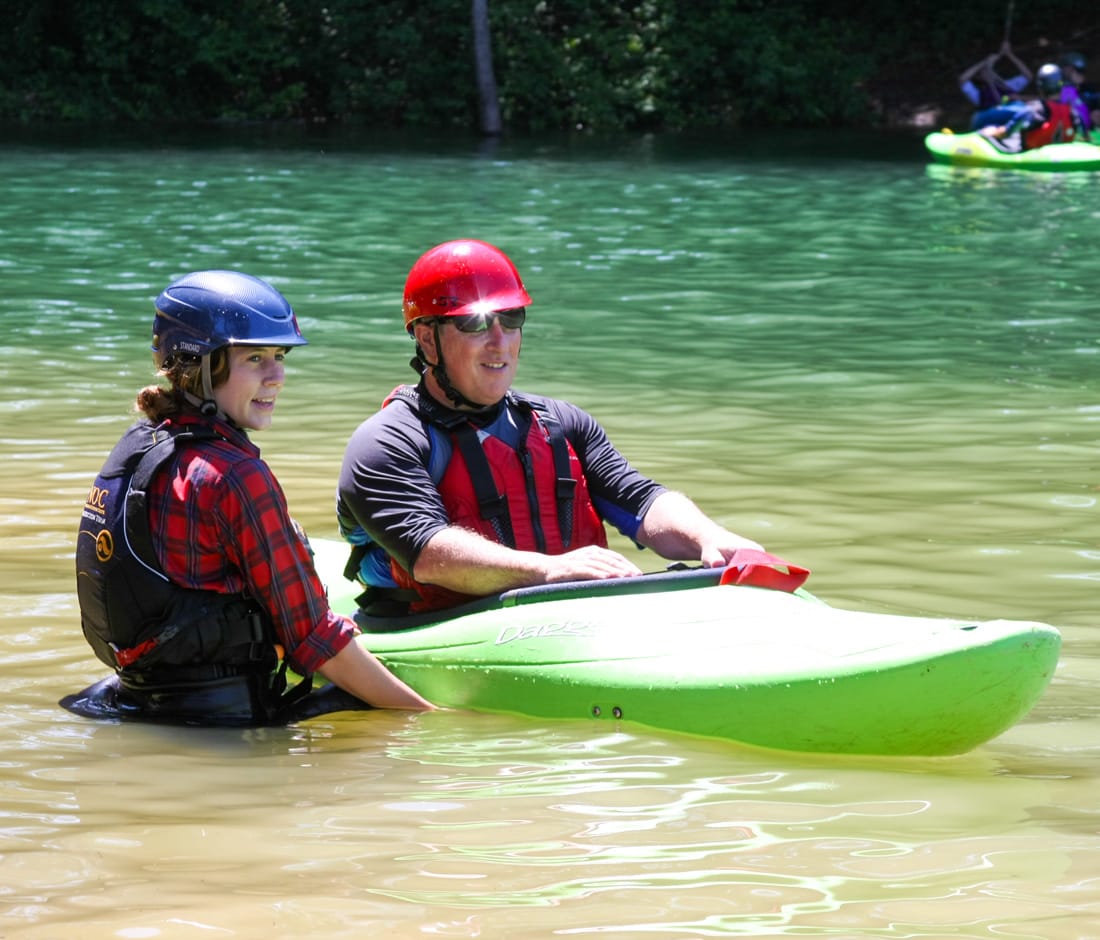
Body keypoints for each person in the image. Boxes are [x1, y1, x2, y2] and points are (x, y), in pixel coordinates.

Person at [68, 269, 434, 725]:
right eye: (255, 359)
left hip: (143, 695)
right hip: (226, 722)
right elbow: (316, 641)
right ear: (199, 365)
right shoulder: (234, 476)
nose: (277, 376)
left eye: (279, 356)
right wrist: (428, 717)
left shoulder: (143, 445)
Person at [336, 239, 765, 618]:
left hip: (567, 615)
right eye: (476, 323)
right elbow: (429, 554)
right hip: (442, 624)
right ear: (428, 340)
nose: (499, 341)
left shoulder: (562, 424)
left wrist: (711, 538)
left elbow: (640, 500)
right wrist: (550, 569)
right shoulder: (386, 442)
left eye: (511, 318)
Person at [978, 63, 1085, 153]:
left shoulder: (1034, 110)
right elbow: (1084, 138)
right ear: (1061, 86)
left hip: (1031, 152)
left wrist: (990, 132)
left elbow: (1006, 132)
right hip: (1062, 154)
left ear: (1040, 87)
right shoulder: (1072, 112)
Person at [959, 39, 1033, 131]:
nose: (988, 73)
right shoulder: (979, 95)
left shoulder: (1007, 86)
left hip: (1009, 126)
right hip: (989, 129)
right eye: (984, 72)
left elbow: (1028, 76)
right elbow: (962, 80)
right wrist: (983, 63)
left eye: (990, 71)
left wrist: (1009, 55)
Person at [1058, 51, 1098, 134]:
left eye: (1082, 71)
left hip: (1087, 135)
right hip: (1067, 132)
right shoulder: (1060, 85)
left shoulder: (1089, 89)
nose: (1080, 74)